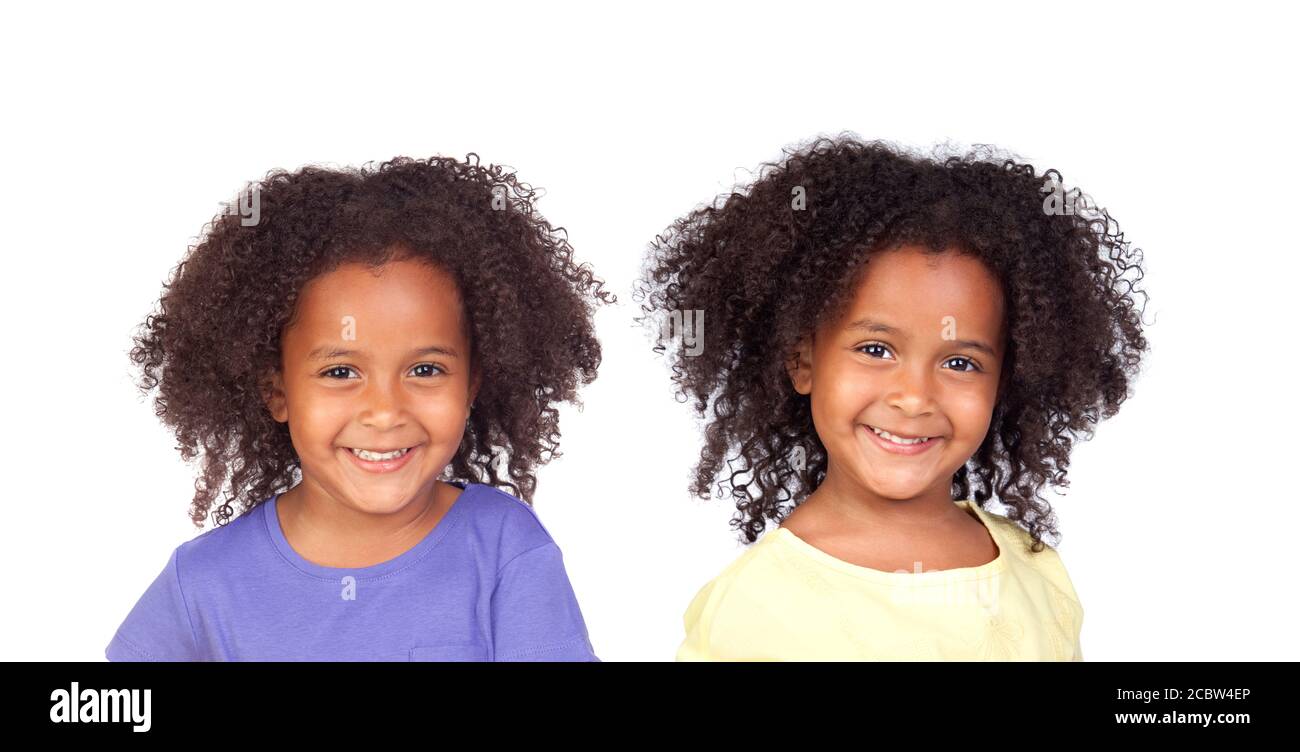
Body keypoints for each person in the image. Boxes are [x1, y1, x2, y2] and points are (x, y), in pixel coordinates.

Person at [635, 135, 1149, 660]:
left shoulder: (1033, 568)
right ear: (803, 360)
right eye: (876, 349)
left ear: (1007, 379)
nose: (914, 397)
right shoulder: (755, 609)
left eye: (960, 362)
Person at [107, 155, 610, 661]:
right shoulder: (202, 584)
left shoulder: (504, 551)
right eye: (341, 373)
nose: (385, 412)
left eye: (426, 369)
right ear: (276, 390)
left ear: (472, 382)